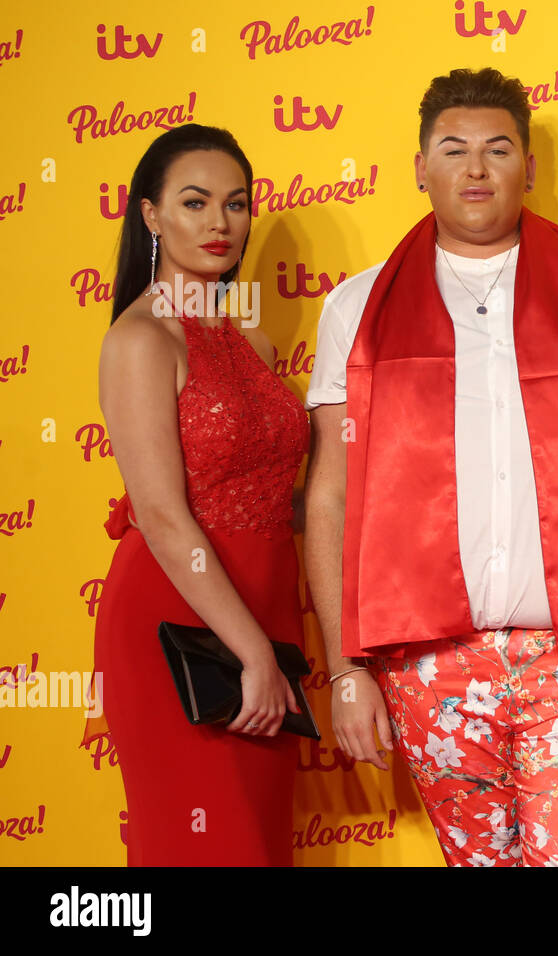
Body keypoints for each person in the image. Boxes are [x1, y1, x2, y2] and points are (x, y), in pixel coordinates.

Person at [303, 67, 558, 867]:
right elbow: (330, 496)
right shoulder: (354, 308)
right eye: (454, 149)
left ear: (530, 167)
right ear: (420, 168)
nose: (476, 170)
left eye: (498, 149)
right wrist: (345, 670)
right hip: (431, 660)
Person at [94, 124, 308, 866]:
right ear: (151, 215)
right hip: (178, 631)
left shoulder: (256, 344)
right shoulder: (140, 340)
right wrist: (252, 653)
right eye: (195, 202)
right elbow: (157, 511)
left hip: (270, 622)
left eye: (236, 203)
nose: (220, 222)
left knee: (258, 844)